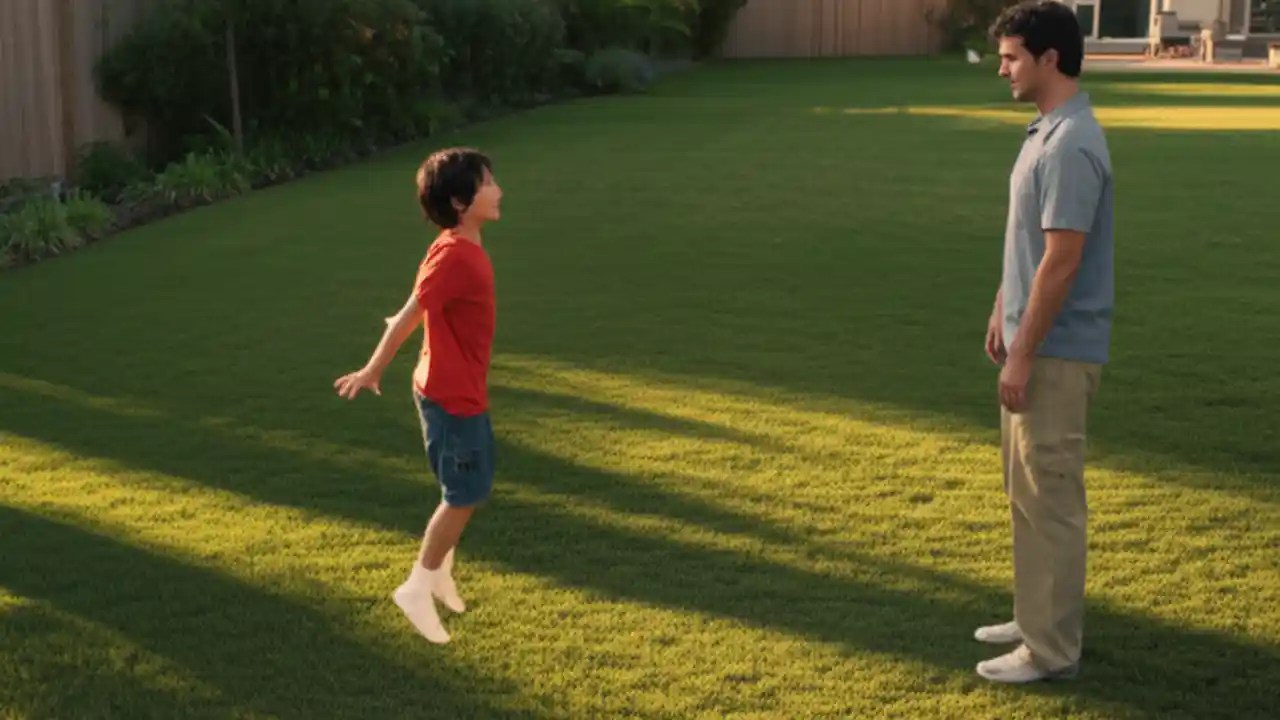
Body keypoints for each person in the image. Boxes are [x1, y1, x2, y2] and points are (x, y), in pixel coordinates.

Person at [975, 0, 1116, 683]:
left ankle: (1051, 648)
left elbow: (1062, 259)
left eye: (1011, 58)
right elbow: (1030, 243)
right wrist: (1002, 308)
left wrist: (1025, 352)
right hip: (1033, 341)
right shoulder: (1045, 133)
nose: (1002, 69)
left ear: (1049, 59)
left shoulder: (1071, 145)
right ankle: (1034, 615)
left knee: (1051, 499)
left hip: (1056, 354)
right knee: (1026, 492)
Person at [334, 147, 501, 644]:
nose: (498, 191)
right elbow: (411, 314)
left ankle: (440, 576)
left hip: (458, 388)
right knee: (463, 496)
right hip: (451, 396)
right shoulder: (453, 257)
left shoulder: (456, 245)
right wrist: (372, 369)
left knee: (472, 488)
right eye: (487, 184)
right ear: (460, 202)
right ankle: (417, 587)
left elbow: (420, 307)